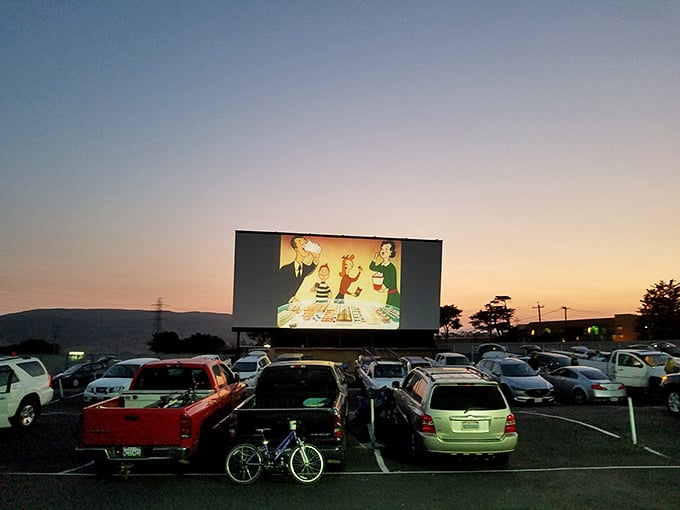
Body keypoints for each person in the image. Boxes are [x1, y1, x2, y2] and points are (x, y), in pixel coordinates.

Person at [369, 240, 400, 308]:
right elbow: (372, 267)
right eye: (382, 248)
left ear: (391, 252)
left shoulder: (391, 268)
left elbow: (392, 283)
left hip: (394, 295)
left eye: (386, 249)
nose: (383, 251)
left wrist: (383, 290)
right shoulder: (382, 266)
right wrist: (375, 258)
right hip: (389, 294)